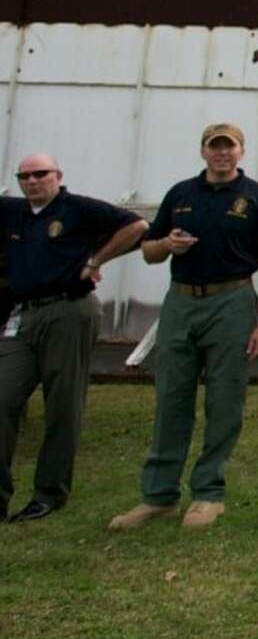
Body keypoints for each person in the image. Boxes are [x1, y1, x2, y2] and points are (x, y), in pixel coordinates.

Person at [108, 123, 258, 530]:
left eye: (229, 147)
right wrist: (167, 245)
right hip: (182, 301)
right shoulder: (181, 194)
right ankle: (158, 496)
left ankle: (208, 493)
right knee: (171, 396)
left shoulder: (256, 198)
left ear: (242, 151)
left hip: (233, 301)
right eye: (214, 147)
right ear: (203, 151)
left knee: (224, 398)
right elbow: (150, 252)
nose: (221, 154)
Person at [0, 154, 148, 522]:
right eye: (25, 176)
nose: (33, 182)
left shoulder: (78, 209)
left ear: (57, 176)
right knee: (3, 398)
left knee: (62, 404)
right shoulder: (12, 212)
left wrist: (96, 261)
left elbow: (137, 225)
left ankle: (49, 493)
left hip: (68, 310)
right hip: (23, 314)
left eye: (40, 174)